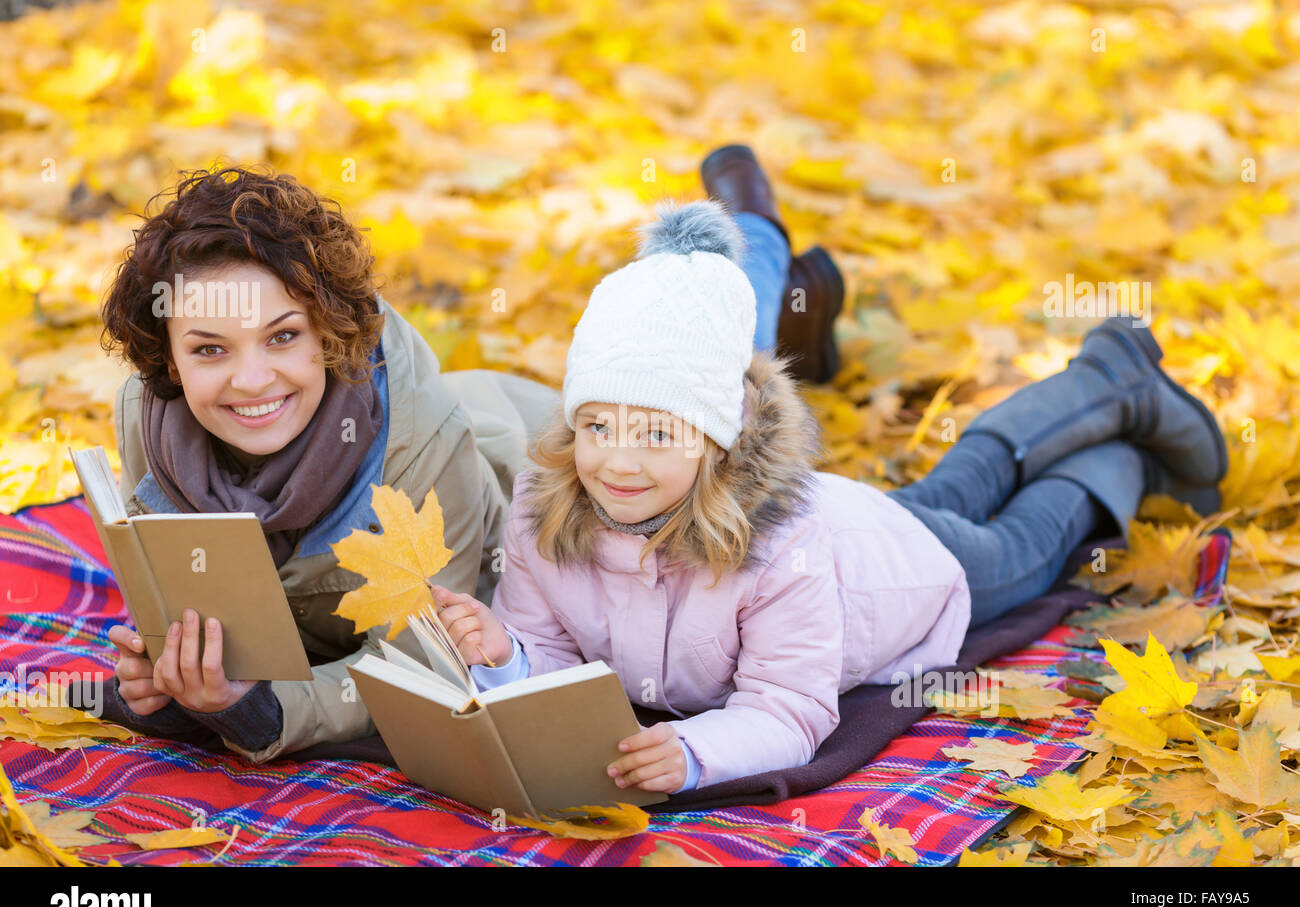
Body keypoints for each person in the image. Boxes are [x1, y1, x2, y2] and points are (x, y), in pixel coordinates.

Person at [428, 188, 1226, 795]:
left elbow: (788, 711)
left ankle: (1111, 445)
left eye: (659, 432)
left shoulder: (774, 545)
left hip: (900, 572)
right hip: (858, 522)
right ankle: (1115, 408)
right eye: (598, 425)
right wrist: (507, 656)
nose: (619, 461)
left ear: (718, 440)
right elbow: (559, 660)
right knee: (957, 481)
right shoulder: (547, 513)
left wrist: (699, 753)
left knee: (1025, 544)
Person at [90, 165, 560, 763]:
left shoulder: (423, 444)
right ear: (170, 359)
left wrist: (265, 709)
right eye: (210, 349)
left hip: (528, 445)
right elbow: (186, 605)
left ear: (328, 333)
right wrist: (168, 678)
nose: (252, 380)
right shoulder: (146, 417)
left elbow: (423, 664)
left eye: (282, 337)